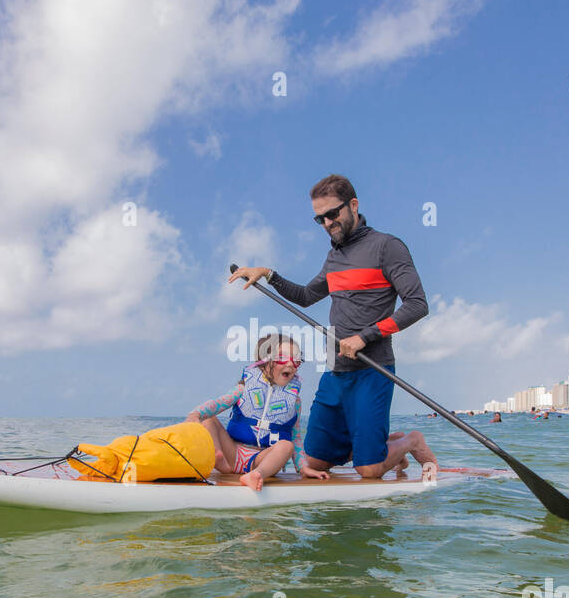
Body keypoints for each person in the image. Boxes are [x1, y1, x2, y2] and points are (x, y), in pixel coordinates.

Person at [229, 174, 437, 480]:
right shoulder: (334, 257)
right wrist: (269, 275)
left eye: (333, 214)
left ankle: (410, 442)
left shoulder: (387, 247)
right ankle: (374, 446)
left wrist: (365, 337)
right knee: (311, 464)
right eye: (320, 219)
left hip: (372, 369)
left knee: (367, 471)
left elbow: (418, 304)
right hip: (334, 371)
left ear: (353, 205)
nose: (327, 223)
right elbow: (306, 296)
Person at [186, 335, 327, 491]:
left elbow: (295, 436)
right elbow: (217, 404)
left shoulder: (294, 401)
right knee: (209, 420)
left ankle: (256, 474)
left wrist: (303, 467)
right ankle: (218, 458)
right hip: (232, 452)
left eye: (297, 360)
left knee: (287, 446)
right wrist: (195, 414)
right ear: (264, 361)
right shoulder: (244, 388)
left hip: (260, 459)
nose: (291, 364)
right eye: (282, 358)